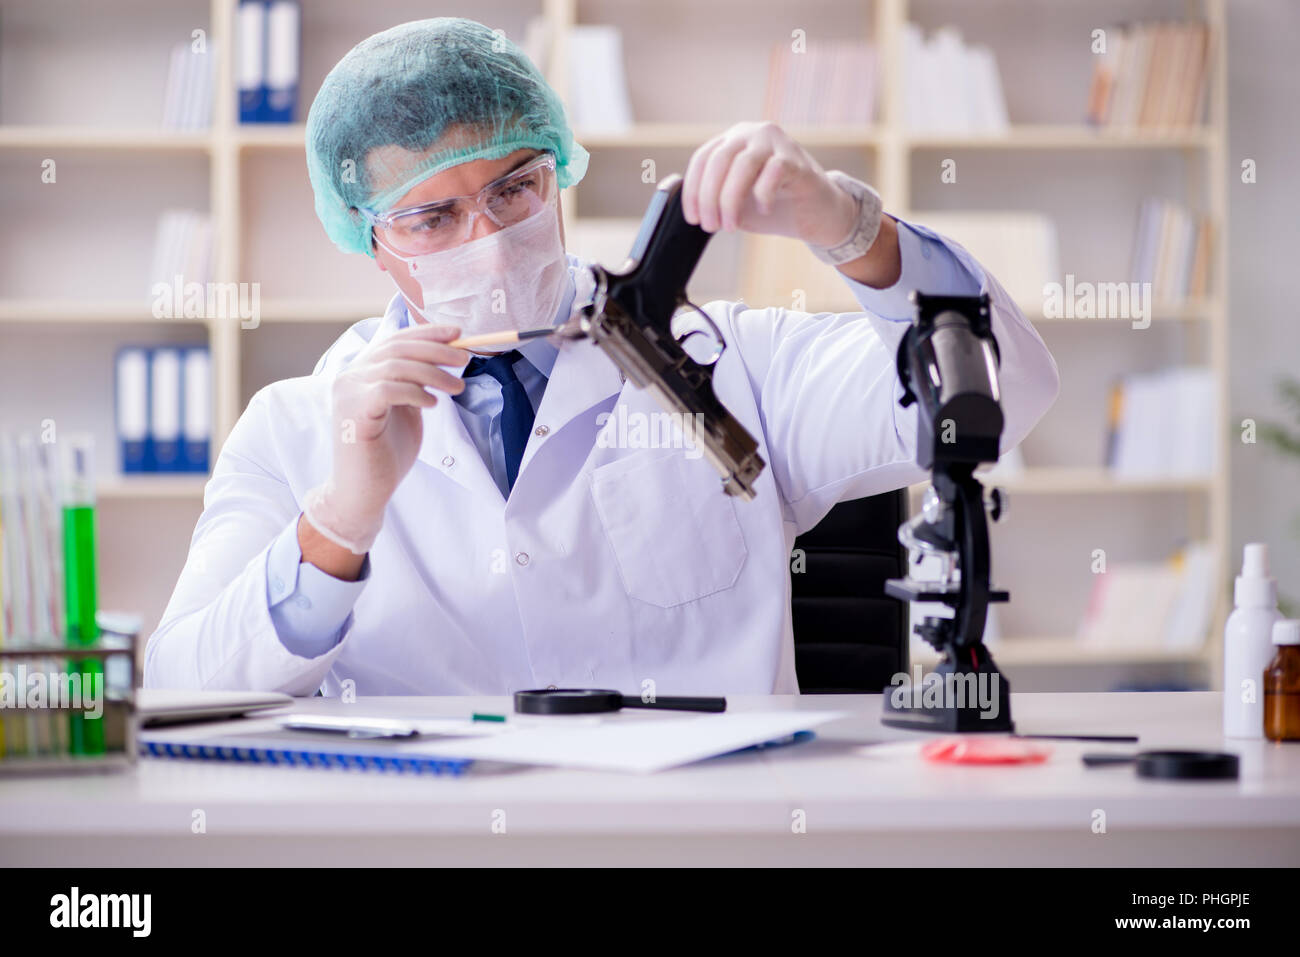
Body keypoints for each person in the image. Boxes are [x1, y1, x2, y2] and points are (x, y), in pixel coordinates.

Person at [145, 18, 1059, 696]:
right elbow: (183, 690)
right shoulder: (296, 427)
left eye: (514, 188)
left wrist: (850, 227)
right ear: (370, 241)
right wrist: (339, 525)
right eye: (433, 215)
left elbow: (1007, 391)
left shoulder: (735, 359)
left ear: (559, 173)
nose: (490, 236)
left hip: (703, 839)